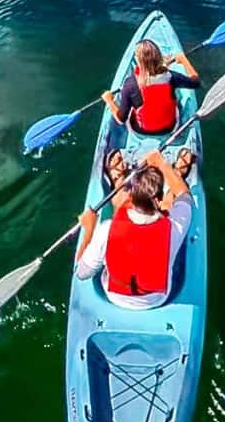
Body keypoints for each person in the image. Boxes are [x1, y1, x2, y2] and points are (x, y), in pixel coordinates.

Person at [75, 148, 195, 310]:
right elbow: (184, 194)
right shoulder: (174, 226)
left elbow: (82, 273)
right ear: (157, 200)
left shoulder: (107, 230)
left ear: (131, 196)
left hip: (115, 296)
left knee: (119, 211)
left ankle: (119, 183)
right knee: (170, 205)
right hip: (157, 298)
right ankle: (177, 175)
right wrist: (162, 164)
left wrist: (89, 229)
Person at [101, 39, 200, 136]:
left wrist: (109, 101)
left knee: (131, 104)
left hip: (141, 130)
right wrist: (184, 60)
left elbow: (121, 119)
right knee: (175, 95)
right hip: (170, 127)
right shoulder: (171, 77)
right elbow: (196, 82)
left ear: (138, 60)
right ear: (158, 56)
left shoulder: (130, 84)